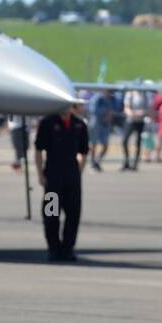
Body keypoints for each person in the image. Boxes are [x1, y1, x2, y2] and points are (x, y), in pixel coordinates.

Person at [35, 102, 89, 262]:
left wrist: (79, 172)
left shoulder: (79, 125)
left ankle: (68, 248)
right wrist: (40, 174)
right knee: (51, 213)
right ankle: (53, 248)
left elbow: (84, 152)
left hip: (72, 175)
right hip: (53, 175)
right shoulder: (47, 123)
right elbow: (39, 150)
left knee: (73, 213)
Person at [121, 88, 148, 170]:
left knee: (138, 142)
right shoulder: (130, 94)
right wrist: (133, 113)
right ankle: (126, 161)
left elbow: (148, 108)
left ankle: (135, 163)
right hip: (131, 121)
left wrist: (142, 112)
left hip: (140, 122)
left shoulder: (144, 95)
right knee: (124, 141)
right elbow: (126, 108)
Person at [87, 89, 113, 171]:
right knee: (93, 144)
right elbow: (93, 109)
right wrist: (105, 112)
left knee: (105, 145)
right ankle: (92, 162)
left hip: (105, 124)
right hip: (96, 123)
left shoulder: (109, 100)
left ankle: (97, 162)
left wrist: (109, 116)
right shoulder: (97, 98)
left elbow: (113, 110)